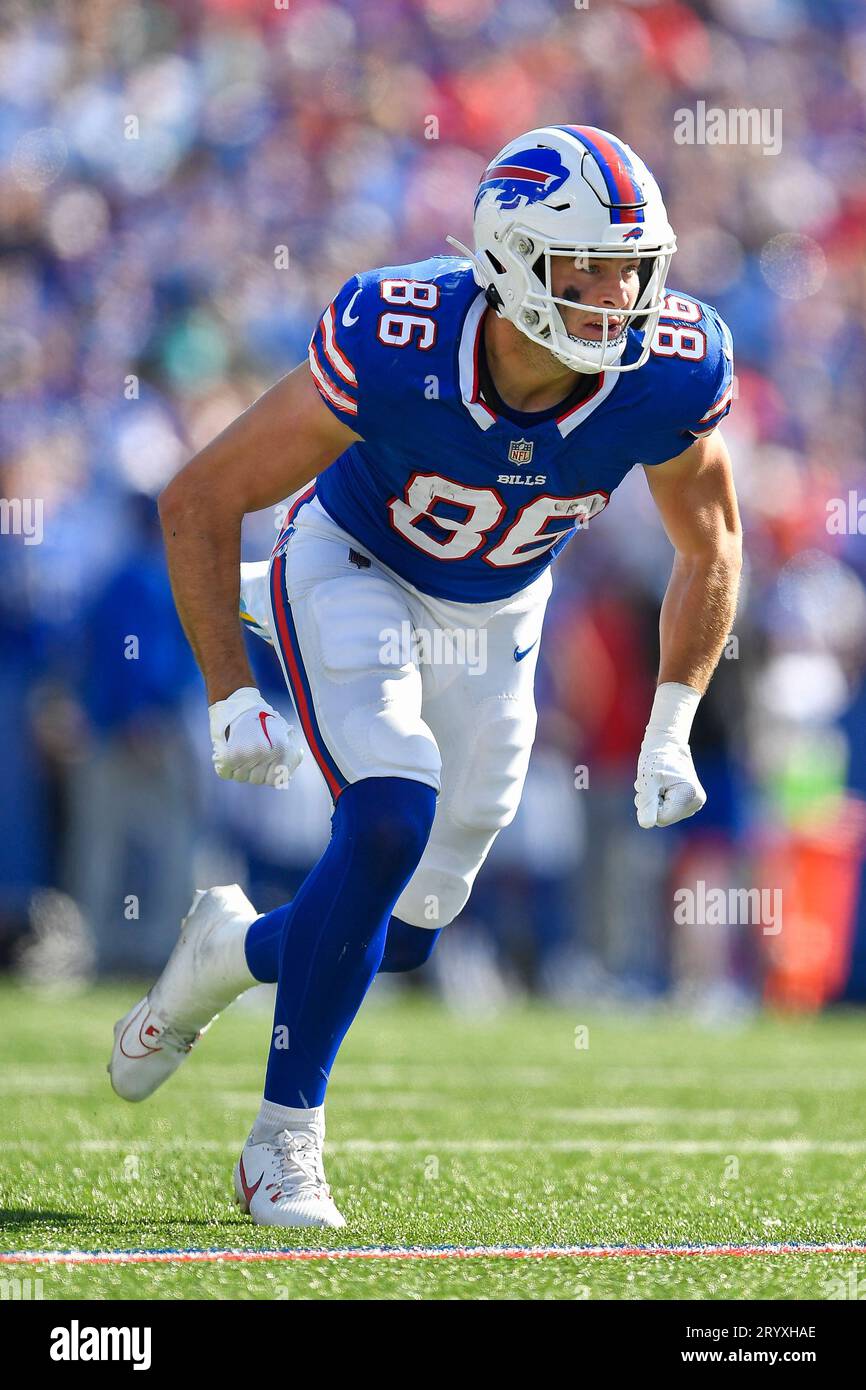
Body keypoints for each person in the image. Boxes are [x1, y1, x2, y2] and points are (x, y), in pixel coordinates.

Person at [108, 126, 742, 1228]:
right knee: (390, 809)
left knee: (401, 931)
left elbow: (710, 542)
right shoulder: (398, 334)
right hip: (351, 563)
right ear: (507, 259)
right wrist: (226, 691)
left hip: (497, 609)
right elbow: (198, 495)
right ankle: (282, 1142)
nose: (614, 300)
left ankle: (224, 951)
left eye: (631, 270)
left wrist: (672, 718)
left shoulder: (669, 369)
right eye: (582, 271)